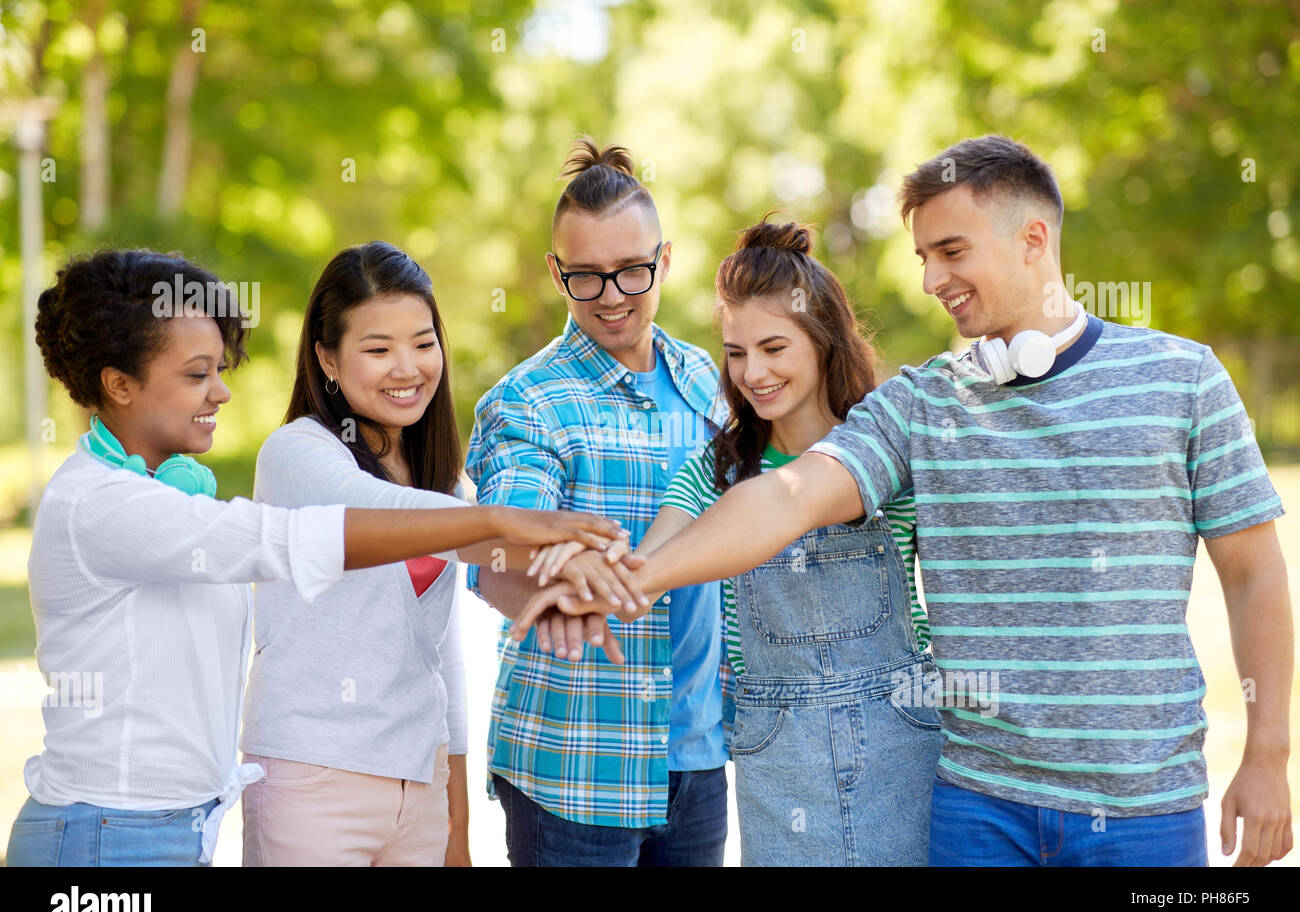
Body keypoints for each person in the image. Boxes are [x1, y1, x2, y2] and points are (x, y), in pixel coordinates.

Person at [514, 135, 1294, 867]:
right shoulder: (925, 403)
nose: (930, 280)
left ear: (1033, 240)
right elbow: (785, 498)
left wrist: (1266, 756)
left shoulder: (1182, 379)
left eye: (951, 251)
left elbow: (1255, 573)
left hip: (1146, 808)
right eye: (923, 257)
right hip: (976, 806)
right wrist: (633, 580)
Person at [5, 248, 630, 867]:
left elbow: (443, 650)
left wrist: (555, 585)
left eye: (221, 368)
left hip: (180, 825)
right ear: (118, 383)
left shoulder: (170, 492)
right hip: (109, 830)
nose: (222, 392)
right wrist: (506, 522)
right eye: (198, 375)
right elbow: (303, 533)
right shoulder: (105, 504)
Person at [531, 218, 941, 865]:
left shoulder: (884, 450)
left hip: (903, 745)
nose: (753, 373)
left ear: (822, 339)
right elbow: (649, 563)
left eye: (774, 348)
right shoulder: (713, 470)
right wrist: (595, 585)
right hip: (778, 767)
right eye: (737, 352)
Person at [466, 138, 732, 866]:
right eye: (586, 276)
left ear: (666, 260)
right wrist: (550, 587)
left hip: (699, 755)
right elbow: (498, 550)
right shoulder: (526, 402)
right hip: (577, 763)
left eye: (631, 271)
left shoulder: (707, 379)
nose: (612, 295)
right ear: (556, 273)